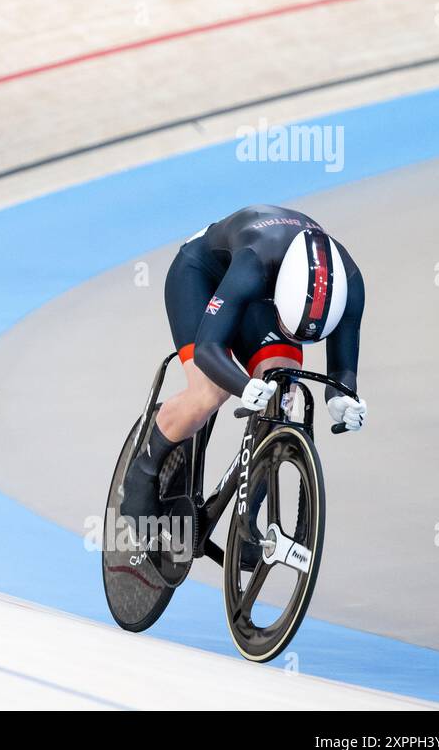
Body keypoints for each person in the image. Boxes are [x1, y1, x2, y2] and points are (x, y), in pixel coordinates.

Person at [119, 204, 368, 541]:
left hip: (262, 294)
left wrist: (340, 398)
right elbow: (209, 349)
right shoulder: (254, 261)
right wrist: (243, 386)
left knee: (282, 395)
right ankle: (144, 469)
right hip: (202, 276)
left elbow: (342, 367)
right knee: (210, 392)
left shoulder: (349, 283)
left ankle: (246, 519)